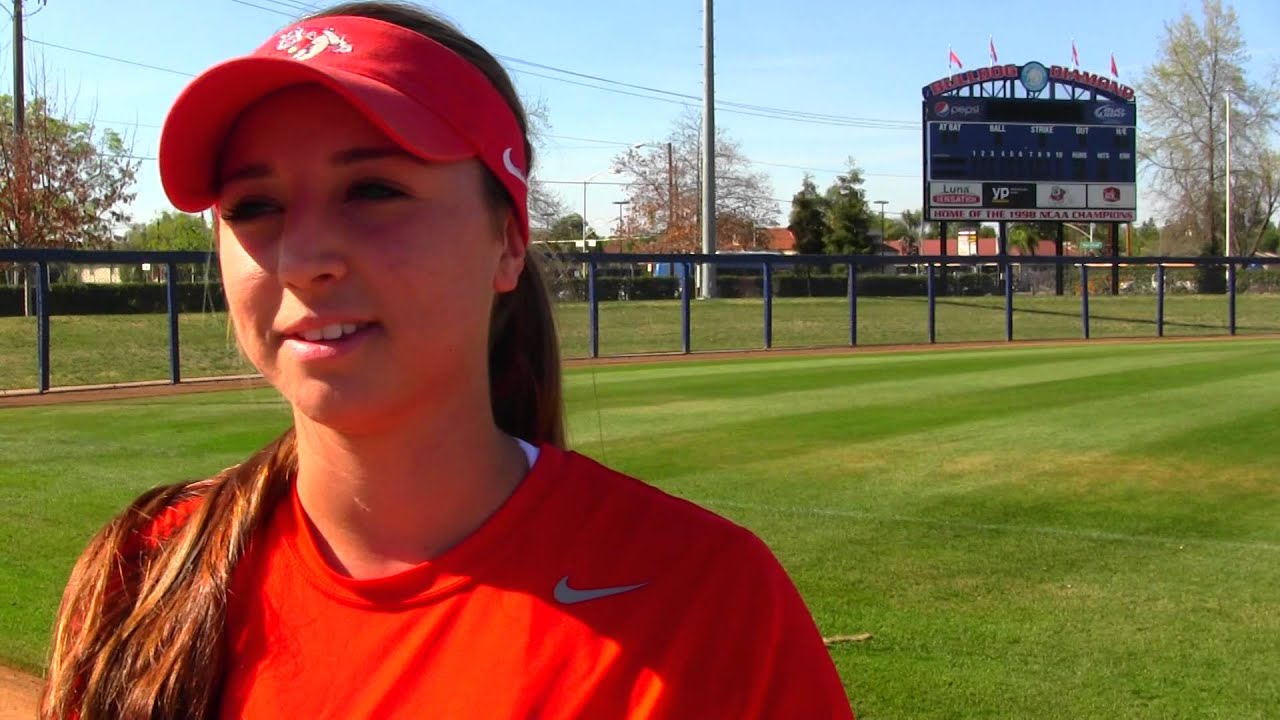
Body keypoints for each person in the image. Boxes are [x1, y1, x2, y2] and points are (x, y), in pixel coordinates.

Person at [40, 2, 855, 718]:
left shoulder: (705, 600)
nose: (302, 256)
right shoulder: (144, 572)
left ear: (507, 242)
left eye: (374, 190)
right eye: (254, 205)